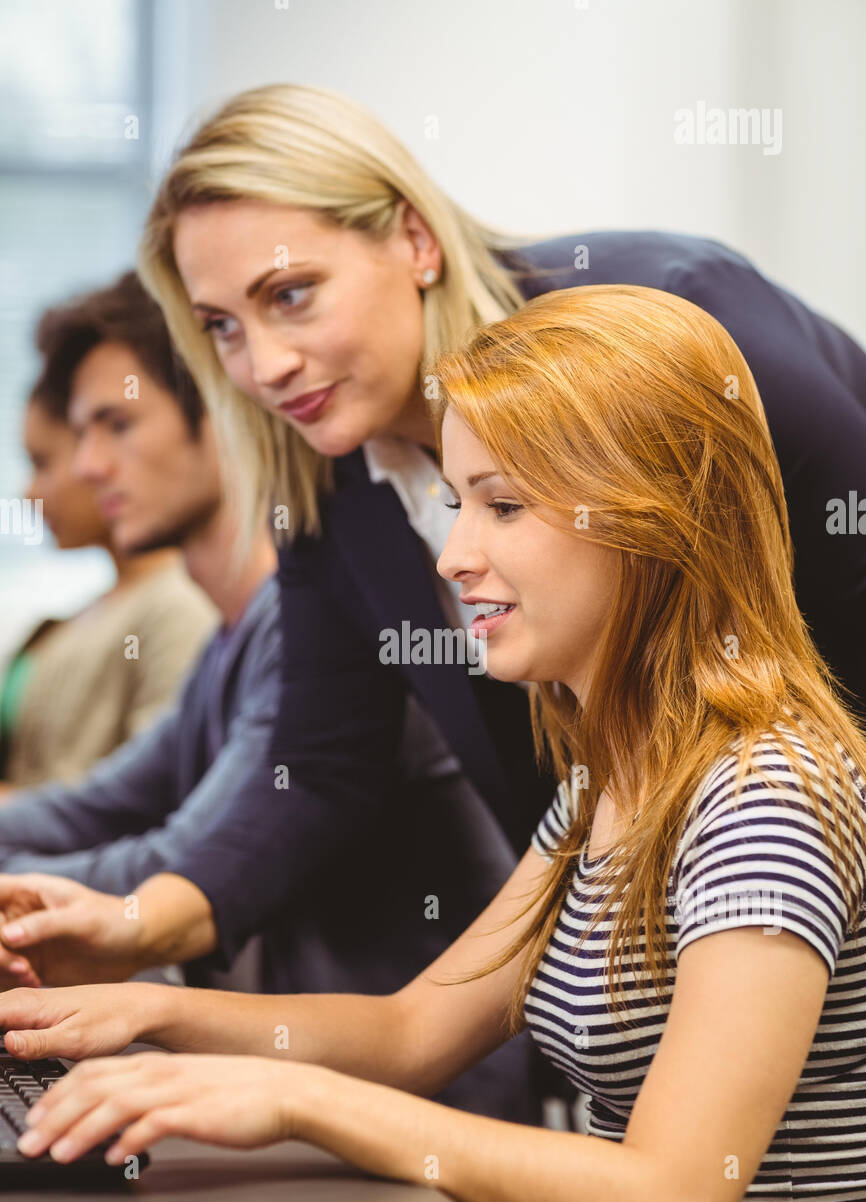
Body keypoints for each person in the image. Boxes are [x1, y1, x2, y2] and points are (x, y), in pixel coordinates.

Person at [1, 83, 865, 1128]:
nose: (262, 366)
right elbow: (320, 765)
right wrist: (140, 935)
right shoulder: (337, 470)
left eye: (291, 296)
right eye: (221, 326)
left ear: (412, 237)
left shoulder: (685, 325)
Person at [3, 285, 864, 1202]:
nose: (454, 556)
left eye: (502, 505)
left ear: (651, 515)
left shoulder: (762, 794)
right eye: (457, 504)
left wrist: (292, 1097)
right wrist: (112, 1018)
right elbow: (414, 1032)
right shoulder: (609, 780)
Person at [0, 269, 278, 993]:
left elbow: (178, 857)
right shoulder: (229, 640)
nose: (88, 467)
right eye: (83, 434)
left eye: (117, 425)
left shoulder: (302, 629)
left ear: (224, 407)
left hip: (371, 1091)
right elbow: (89, 808)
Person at [0, 367, 216, 790]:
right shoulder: (77, 614)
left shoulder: (178, 602)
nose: (30, 495)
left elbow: (158, 793)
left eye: (43, 463)